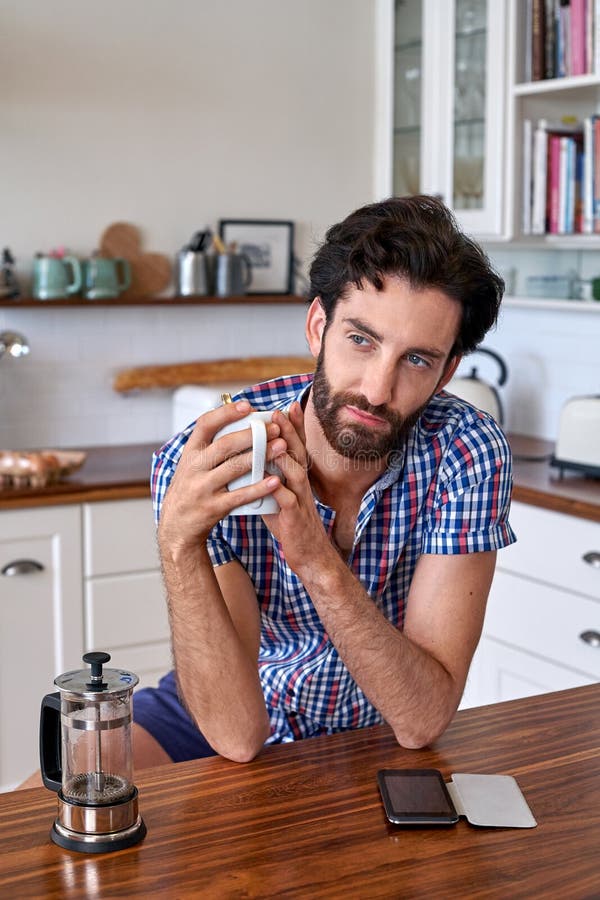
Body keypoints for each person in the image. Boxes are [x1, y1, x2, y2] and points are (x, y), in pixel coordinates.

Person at [132, 195, 516, 769]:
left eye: (416, 360)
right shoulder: (213, 461)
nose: (377, 390)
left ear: (446, 374)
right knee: (43, 801)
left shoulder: (466, 452)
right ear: (318, 327)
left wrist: (313, 555)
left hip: (376, 723)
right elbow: (237, 736)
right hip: (228, 697)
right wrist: (177, 542)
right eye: (361, 340)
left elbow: (421, 720)